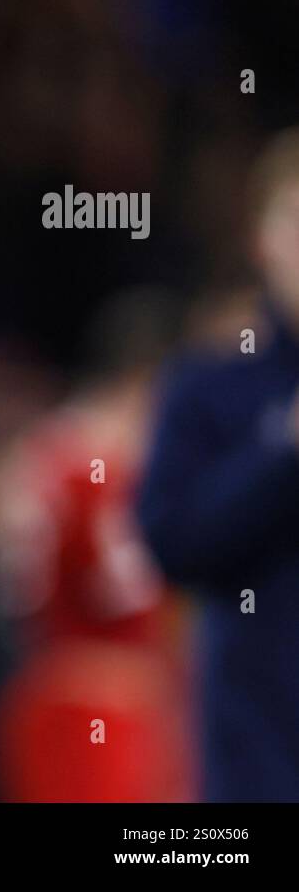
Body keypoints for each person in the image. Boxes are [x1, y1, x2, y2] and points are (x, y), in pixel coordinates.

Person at [137, 127, 299, 801]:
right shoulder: (210, 385)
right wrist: (285, 446)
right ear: (263, 239)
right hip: (258, 755)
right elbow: (171, 540)